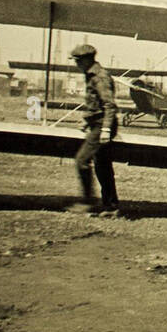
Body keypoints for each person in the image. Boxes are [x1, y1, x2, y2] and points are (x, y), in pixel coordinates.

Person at [69, 44, 120, 216]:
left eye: (77, 61)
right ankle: (111, 207)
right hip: (97, 123)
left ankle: (88, 202)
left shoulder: (99, 76)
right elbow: (95, 104)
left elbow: (109, 105)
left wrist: (105, 130)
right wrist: (86, 120)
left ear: (86, 60)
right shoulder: (91, 75)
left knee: (81, 161)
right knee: (102, 166)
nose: (76, 64)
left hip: (102, 125)